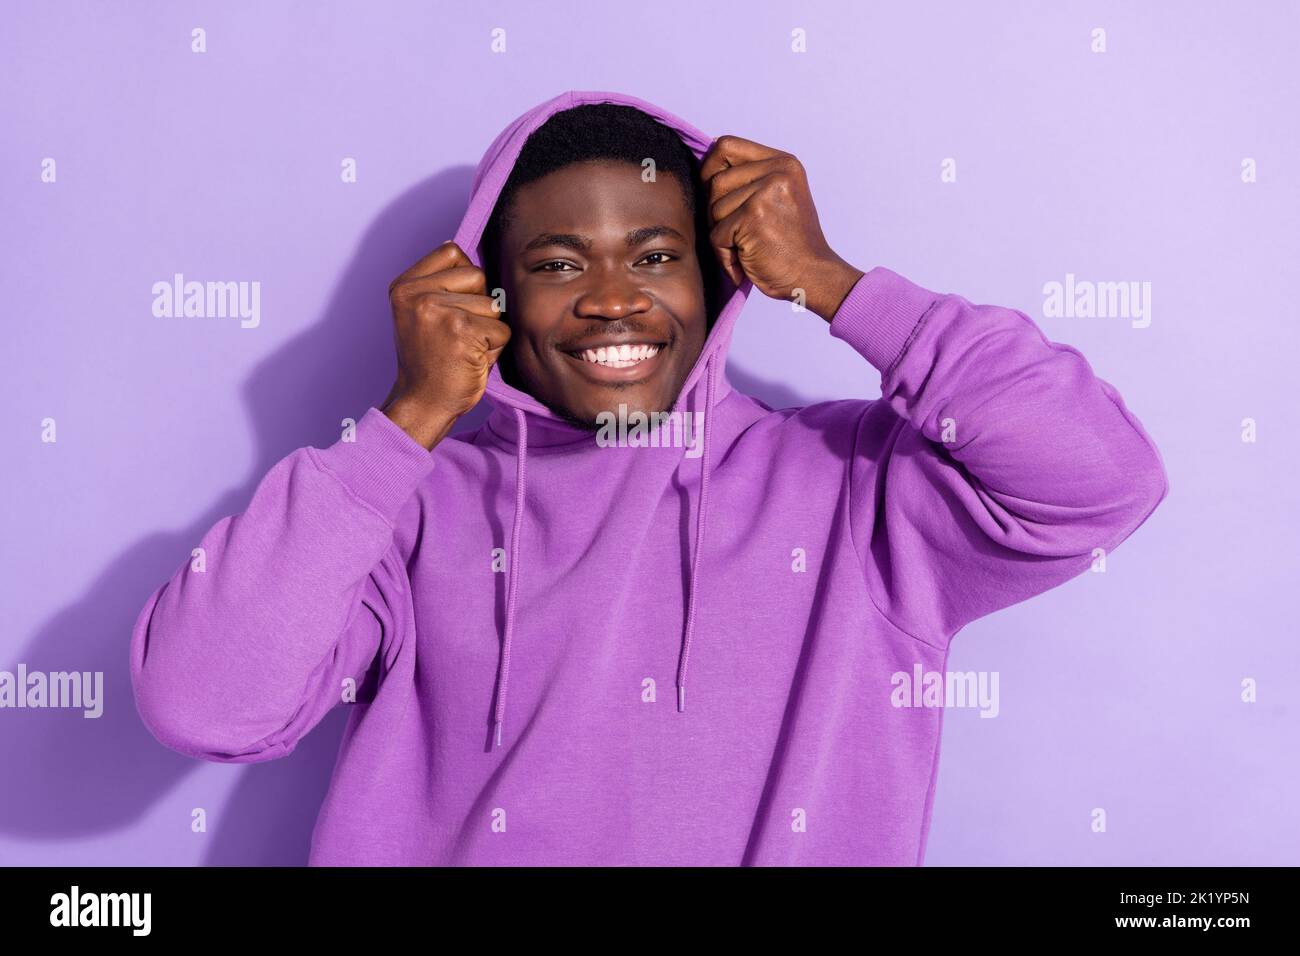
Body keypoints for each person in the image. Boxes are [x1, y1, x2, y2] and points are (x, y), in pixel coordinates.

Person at [130, 90, 1169, 866]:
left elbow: (1101, 478)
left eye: (656, 255)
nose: (612, 298)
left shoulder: (852, 489)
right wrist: (406, 422)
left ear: (715, 279)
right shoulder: (408, 506)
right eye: (557, 263)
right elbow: (203, 705)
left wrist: (834, 283)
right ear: (491, 297)